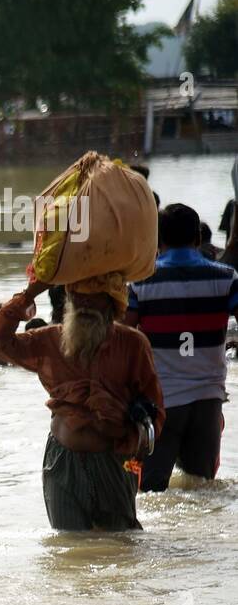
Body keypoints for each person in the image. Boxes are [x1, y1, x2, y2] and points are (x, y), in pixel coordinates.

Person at [0, 277, 163, 530]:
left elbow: (155, 412)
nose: (85, 302)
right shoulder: (51, 340)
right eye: (78, 295)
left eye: (95, 295)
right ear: (68, 300)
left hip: (115, 461)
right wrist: (29, 293)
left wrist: (132, 447)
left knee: (120, 545)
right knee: (68, 546)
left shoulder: (133, 344)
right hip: (62, 462)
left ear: (112, 302)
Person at [125, 203, 238, 491]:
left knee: (150, 492)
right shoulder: (226, 278)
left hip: (161, 402)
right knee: (201, 490)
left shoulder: (141, 282)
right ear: (198, 239)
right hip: (208, 400)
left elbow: (123, 336)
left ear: (157, 239)